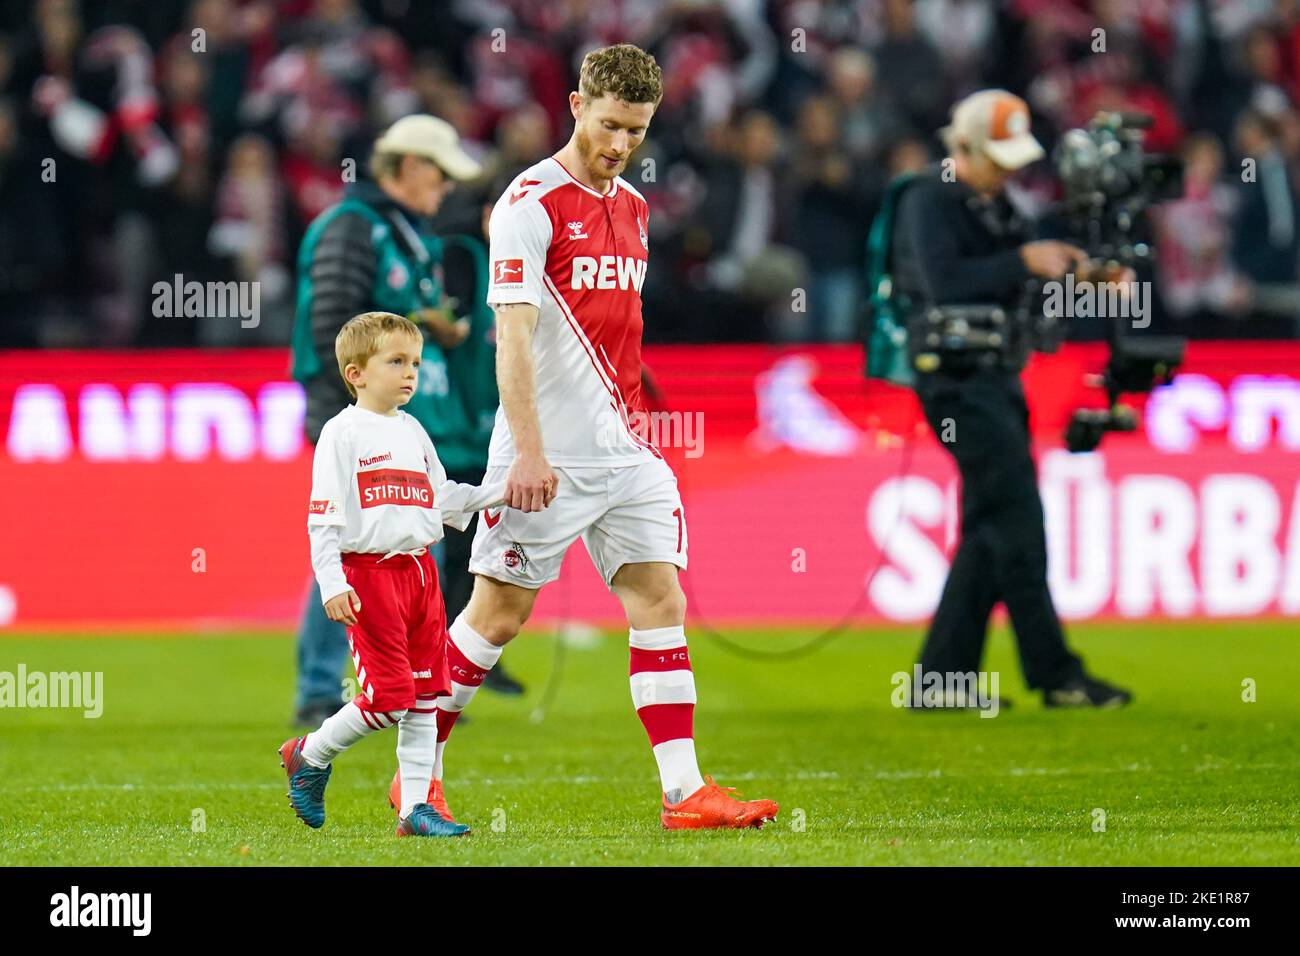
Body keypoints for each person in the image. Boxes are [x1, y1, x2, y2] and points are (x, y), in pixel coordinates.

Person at [397, 43, 779, 829]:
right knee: (496, 616)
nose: (619, 145)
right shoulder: (529, 204)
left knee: (659, 597)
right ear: (575, 106)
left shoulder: (635, 209)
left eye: (635, 132)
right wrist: (529, 450)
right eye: (608, 125)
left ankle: (684, 792)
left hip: (623, 449)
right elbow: (513, 337)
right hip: (547, 452)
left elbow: (614, 328)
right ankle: (416, 779)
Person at [890, 90, 1133, 709]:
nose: (1010, 172)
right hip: (954, 381)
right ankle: (1055, 673)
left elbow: (1027, 290)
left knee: (991, 525)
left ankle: (941, 681)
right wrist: (1025, 258)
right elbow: (946, 282)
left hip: (996, 378)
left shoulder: (1000, 207)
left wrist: (1086, 281)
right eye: (999, 159)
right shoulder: (930, 196)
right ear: (963, 146)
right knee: (1017, 518)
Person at [288, 113, 522, 726]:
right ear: (411, 167)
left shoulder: (403, 231)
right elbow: (336, 325)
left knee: (414, 540)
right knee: (350, 541)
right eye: (440, 176)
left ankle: (423, 681)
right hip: (351, 412)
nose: (444, 190)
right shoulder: (352, 229)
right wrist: (357, 413)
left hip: (400, 415)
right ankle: (318, 687)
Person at [279, 311, 515, 838]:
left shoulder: (413, 431)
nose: (411, 373)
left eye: (414, 362)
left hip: (419, 574)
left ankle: (415, 810)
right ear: (356, 374)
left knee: (428, 695)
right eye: (396, 362)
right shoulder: (341, 434)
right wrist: (332, 581)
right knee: (389, 699)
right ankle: (309, 754)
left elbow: (443, 496)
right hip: (369, 576)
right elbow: (324, 516)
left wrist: (501, 490)